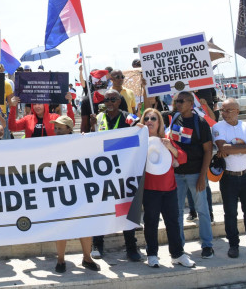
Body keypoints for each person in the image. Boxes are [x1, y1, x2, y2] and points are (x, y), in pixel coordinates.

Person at [138, 109, 196, 268]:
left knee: (173, 223)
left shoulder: (167, 139)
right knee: (151, 223)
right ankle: (152, 254)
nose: (150, 121)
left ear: (159, 122)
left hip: (169, 189)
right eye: (147, 118)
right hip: (150, 190)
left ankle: (177, 254)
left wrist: (171, 147)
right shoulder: (139, 140)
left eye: (153, 118)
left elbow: (182, 158)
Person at [211, 99, 246, 259]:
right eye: (222, 110)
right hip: (228, 177)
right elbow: (223, 147)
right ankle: (233, 245)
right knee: (230, 213)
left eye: (228, 110)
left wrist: (233, 148)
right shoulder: (218, 127)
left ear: (237, 111)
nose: (224, 113)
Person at [89, 89, 141, 261]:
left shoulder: (129, 118)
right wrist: (91, 127)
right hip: (103, 173)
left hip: (124, 171)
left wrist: (109, 145)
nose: (110, 102)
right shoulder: (98, 118)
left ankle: (131, 247)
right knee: (101, 208)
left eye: (113, 99)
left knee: (126, 209)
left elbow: (138, 138)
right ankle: (97, 244)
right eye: (107, 100)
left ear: (119, 101)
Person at [49, 115, 99, 273]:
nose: (57, 131)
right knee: (61, 226)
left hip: (79, 190)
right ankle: (61, 259)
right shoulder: (48, 144)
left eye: (60, 128)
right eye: (55, 128)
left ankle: (87, 257)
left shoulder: (80, 142)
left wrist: (90, 133)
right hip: (60, 191)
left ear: (69, 129)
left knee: (85, 225)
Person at [170, 91, 215, 259]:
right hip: (177, 175)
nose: (177, 104)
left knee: (203, 210)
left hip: (195, 174)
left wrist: (203, 177)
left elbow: (208, 150)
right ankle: (178, 247)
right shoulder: (174, 118)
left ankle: (207, 245)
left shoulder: (200, 123)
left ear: (190, 103)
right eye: (176, 101)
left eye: (181, 101)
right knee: (177, 212)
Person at [6, 96, 75, 138]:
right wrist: (13, 107)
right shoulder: (27, 118)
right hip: (32, 154)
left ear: (45, 105)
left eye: (40, 103)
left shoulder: (55, 117)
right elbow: (12, 127)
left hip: (52, 153)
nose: (37, 106)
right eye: (34, 104)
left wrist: (69, 104)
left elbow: (71, 123)